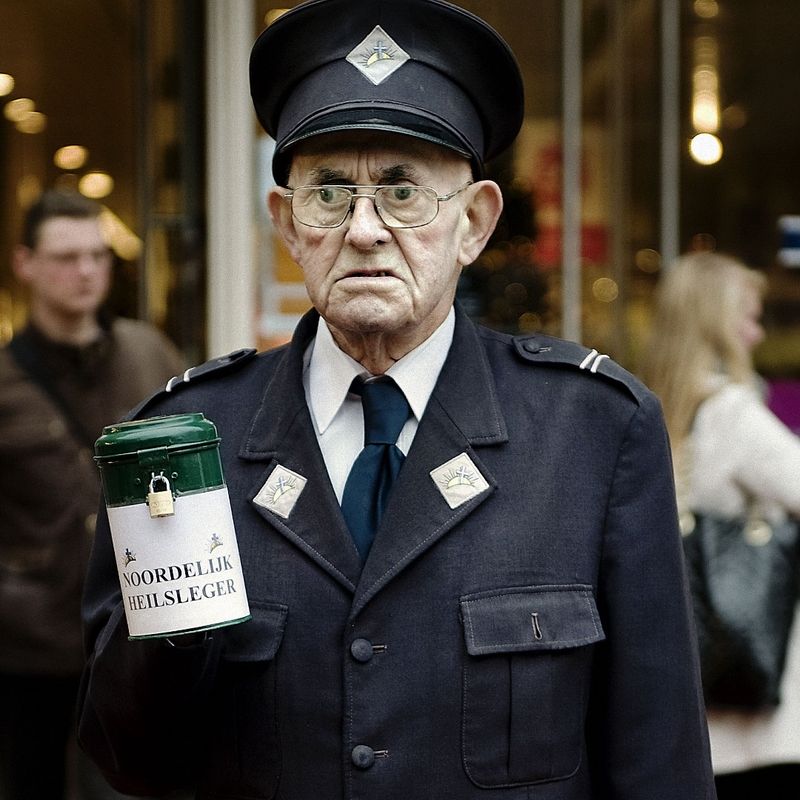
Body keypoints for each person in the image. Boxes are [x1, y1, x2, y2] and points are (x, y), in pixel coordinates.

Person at [77, 1, 716, 797]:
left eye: (405, 191)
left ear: (476, 223)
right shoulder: (184, 442)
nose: (366, 229)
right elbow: (124, 757)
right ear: (285, 222)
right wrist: (172, 626)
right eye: (331, 193)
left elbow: (660, 761)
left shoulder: (592, 433)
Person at [0, 188, 185, 800]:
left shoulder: (148, 352)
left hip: (137, 629)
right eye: (66, 257)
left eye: (97, 256)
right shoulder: (4, 380)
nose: (85, 272)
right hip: (28, 644)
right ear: (25, 263)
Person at [641, 251, 800, 800]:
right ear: (716, 323)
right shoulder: (732, 410)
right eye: (748, 317)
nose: (756, 333)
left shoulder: (650, 407)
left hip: (692, 699)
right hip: (755, 711)